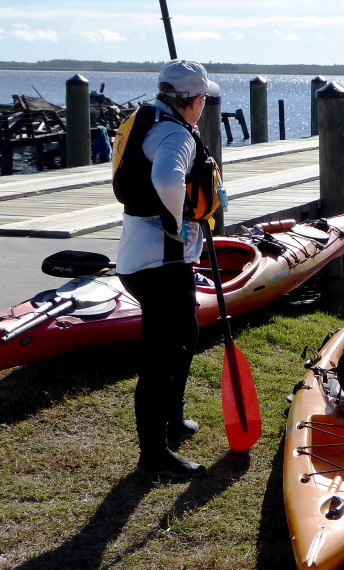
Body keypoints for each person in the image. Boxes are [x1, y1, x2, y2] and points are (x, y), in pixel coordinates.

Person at [114, 59, 220, 478]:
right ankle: (154, 456)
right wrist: (177, 225)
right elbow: (170, 182)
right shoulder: (174, 134)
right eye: (204, 100)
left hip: (146, 259)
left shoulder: (150, 117)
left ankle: (172, 421)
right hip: (158, 263)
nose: (205, 106)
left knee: (186, 334)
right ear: (193, 101)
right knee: (161, 357)